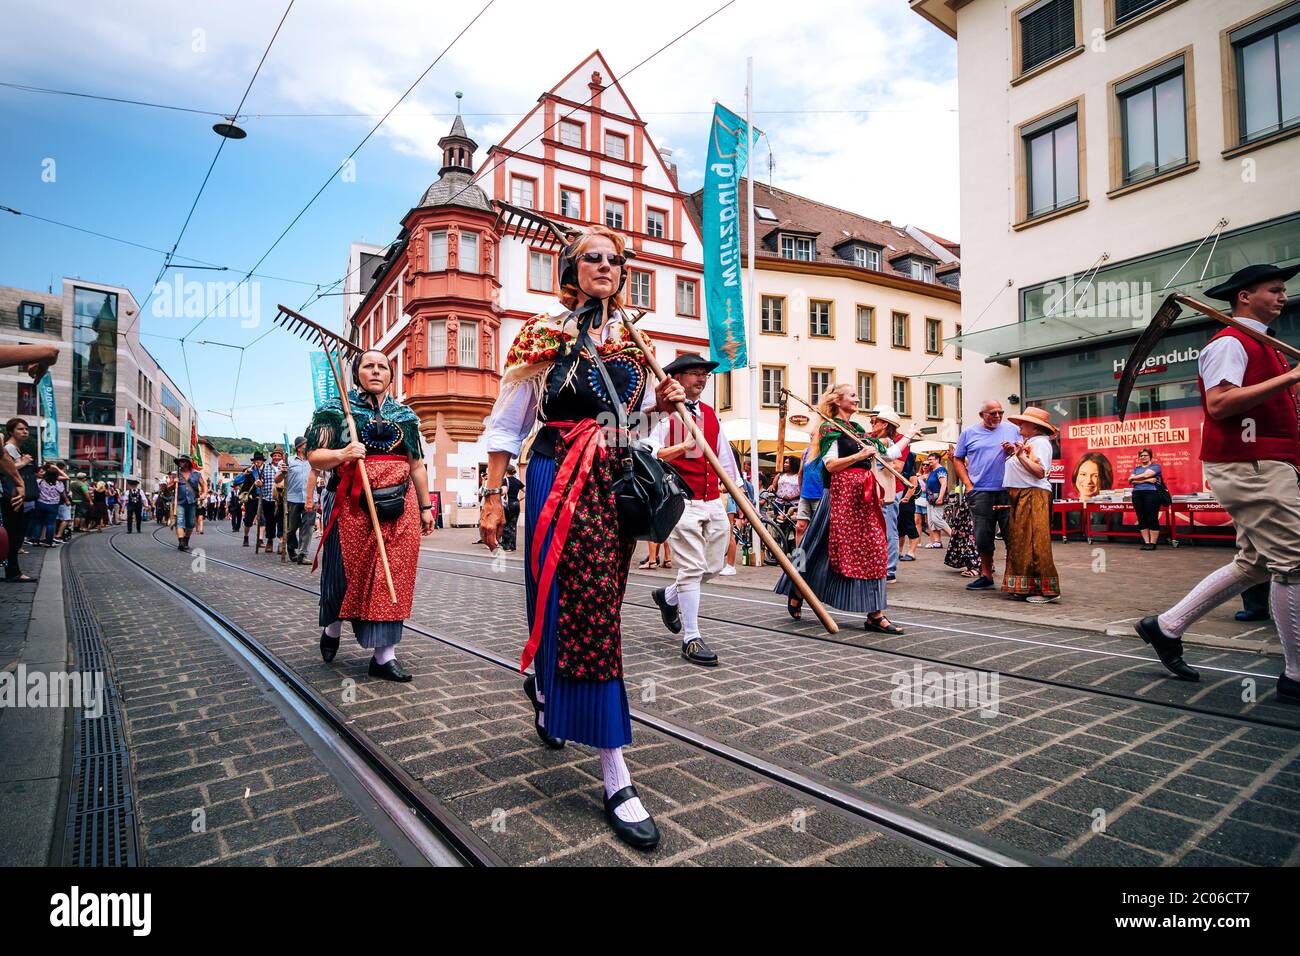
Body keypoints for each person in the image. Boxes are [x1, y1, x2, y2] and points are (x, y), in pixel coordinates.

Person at [480, 224, 683, 851]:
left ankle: (560, 700)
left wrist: (666, 398)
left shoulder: (636, 342)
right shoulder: (542, 336)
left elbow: (640, 412)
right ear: (570, 270)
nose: (604, 265)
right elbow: (507, 424)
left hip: (611, 482)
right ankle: (614, 772)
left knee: (597, 611)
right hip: (552, 473)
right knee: (554, 599)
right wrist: (493, 499)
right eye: (590, 257)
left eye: (614, 259)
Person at [1136, 263, 1300, 699]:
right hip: (1251, 465)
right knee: (1294, 563)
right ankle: (1296, 676)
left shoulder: (1262, 344)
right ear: (1244, 296)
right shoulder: (1230, 343)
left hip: (1264, 464)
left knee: (1258, 563)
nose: (1283, 296)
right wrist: (1292, 376)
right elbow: (1221, 403)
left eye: (1284, 290)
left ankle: (1166, 627)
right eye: (1274, 290)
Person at [308, 349, 434, 682]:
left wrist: (425, 506)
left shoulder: (405, 416)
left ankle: (383, 656)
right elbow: (315, 457)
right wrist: (342, 452)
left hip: (399, 506)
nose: (376, 371)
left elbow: (417, 465)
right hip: (350, 502)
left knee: (392, 575)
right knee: (342, 572)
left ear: (391, 374)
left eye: (383, 366)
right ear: (356, 373)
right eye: (368, 365)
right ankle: (333, 628)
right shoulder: (335, 411)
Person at [777, 384, 902, 634]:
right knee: (809, 548)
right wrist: (859, 456)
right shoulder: (828, 427)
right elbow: (831, 465)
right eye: (853, 395)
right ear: (837, 400)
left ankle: (875, 614)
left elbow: (887, 454)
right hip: (837, 496)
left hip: (863, 498)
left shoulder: (857, 430)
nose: (858, 399)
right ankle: (796, 586)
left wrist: (902, 439)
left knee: (875, 547)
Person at [648, 353, 739, 667]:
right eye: (695, 374)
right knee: (691, 567)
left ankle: (669, 596)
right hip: (680, 500)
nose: (701, 379)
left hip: (712, 498)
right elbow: (649, 453)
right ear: (677, 378)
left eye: (704, 375)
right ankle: (692, 637)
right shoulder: (663, 414)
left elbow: (723, 457)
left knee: (712, 566)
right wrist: (682, 448)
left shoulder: (711, 415)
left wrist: (737, 492)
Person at [953, 399, 1021, 591]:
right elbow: (957, 459)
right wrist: (968, 485)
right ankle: (986, 575)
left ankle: (1012, 576)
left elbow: (1024, 453)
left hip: (1008, 490)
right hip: (981, 491)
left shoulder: (1012, 429)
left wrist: (1013, 451)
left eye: (1001, 412)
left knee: (1012, 536)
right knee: (983, 537)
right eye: (993, 413)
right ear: (982, 415)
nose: (998, 416)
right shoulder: (969, 433)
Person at [1001, 407, 1061, 603]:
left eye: (1023, 422)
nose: (1019, 425)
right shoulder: (1031, 442)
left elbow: (1039, 471)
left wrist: (1020, 456)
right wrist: (1015, 453)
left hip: (1033, 495)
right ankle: (1024, 586)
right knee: (1022, 542)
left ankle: (1044, 590)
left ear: (1034, 427)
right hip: (1024, 494)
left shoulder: (1041, 443)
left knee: (1035, 542)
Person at [865, 405, 918, 582]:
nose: (872, 423)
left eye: (875, 420)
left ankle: (889, 570)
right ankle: (876, 565)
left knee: (889, 530)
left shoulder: (896, 440)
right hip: (872, 490)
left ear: (885, 423)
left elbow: (897, 465)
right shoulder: (870, 438)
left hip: (889, 491)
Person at [3, 419, 36, 581]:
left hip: (16, 495)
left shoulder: (15, 449)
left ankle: (13, 569)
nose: (25, 432)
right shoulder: (8, 448)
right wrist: (23, 463)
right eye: (20, 429)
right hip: (10, 496)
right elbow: (4, 470)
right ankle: (13, 571)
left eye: (26, 429)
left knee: (16, 533)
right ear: (11, 432)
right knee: (13, 533)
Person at [284, 436, 316, 564]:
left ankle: (303, 554)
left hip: (310, 499)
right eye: (305, 445)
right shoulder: (290, 461)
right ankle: (291, 550)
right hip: (293, 499)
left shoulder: (313, 461)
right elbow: (278, 478)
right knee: (291, 528)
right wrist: (282, 472)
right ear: (299, 448)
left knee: (308, 528)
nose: (307, 446)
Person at [165, 456, 206, 551]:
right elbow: (168, 487)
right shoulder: (175, 475)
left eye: (183, 461)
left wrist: (204, 494)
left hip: (192, 502)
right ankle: (181, 542)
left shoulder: (196, 474)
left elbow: (204, 485)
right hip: (179, 502)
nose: (180, 463)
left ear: (187, 463)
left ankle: (186, 539)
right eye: (180, 461)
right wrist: (173, 483)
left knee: (191, 523)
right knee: (179, 521)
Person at [1128, 448, 1164, 550]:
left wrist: (1137, 478)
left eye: (1145, 455)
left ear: (1150, 456)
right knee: (1141, 518)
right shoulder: (1136, 469)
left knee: (1152, 517)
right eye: (1141, 456)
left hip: (1152, 493)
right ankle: (1146, 542)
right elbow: (1130, 480)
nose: (1143, 457)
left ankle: (1153, 543)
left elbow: (1146, 474)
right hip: (1137, 494)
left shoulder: (1155, 466)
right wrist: (1147, 480)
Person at [235, 452, 269, 547]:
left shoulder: (266, 471)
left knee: (263, 519)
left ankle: (260, 540)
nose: (258, 462)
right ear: (253, 462)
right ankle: (246, 537)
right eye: (256, 460)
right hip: (251, 499)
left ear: (262, 461)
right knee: (248, 521)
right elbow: (236, 481)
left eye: (260, 460)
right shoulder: (249, 471)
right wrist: (244, 474)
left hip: (262, 498)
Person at [795, 444, 825, 549]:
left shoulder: (827, 451)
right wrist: (801, 491)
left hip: (820, 496)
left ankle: (815, 557)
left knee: (818, 528)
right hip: (805, 495)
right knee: (800, 527)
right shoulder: (806, 452)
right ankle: (799, 559)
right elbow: (800, 473)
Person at [33, 462, 67, 547]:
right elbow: (63, 494)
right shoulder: (59, 484)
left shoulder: (40, 482)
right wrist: (67, 500)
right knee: (50, 523)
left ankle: (36, 541)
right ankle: (48, 542)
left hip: (40, 503)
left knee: (39, 523)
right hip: (53, 505)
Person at [925, 453, 951, 548]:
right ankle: (937, 541)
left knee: (937, 519)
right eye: (929, 459)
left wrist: (940, 497)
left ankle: (954, 537)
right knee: (931, 520)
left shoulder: (941, 470)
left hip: (937, 496)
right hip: (930, 498)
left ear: (937, 460)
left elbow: (944, 484)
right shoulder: (933, 471)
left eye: (931, 459)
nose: (929, 461)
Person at [499, 464, 524, 552]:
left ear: (506, 472)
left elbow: (504, 491)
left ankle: (507, 545)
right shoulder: (518, 481)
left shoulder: (505, 480)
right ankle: (512, 546)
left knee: (506, 524)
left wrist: (499, 492)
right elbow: (526, 491)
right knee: (513, 525)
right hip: (516, 504)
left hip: (508, 504)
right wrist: (520, 499)